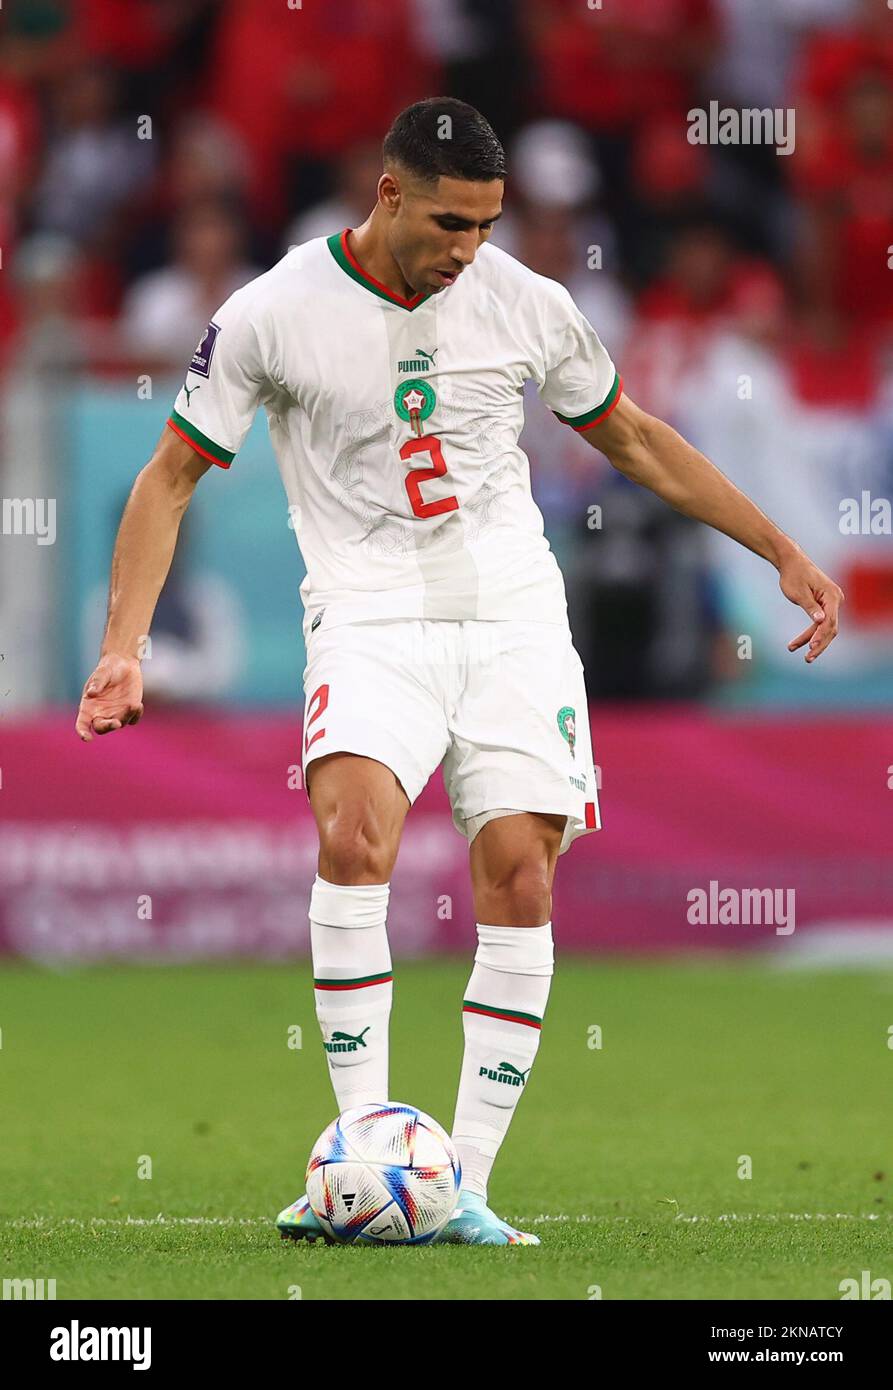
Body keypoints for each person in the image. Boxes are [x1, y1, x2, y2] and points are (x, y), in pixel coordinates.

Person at [74, 98, 844, 1247]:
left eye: (484, 225)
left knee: (520, 876)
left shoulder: (526, 302)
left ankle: (463, 1183)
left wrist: (778, 546)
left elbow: (629, 435)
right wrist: (122, 648)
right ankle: (358, 1162)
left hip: (511, 612)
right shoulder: (272, 312)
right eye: (446, 223)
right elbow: (167, 477)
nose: (465, 249)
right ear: (387, 195)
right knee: (351, 841)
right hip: (367, 610)